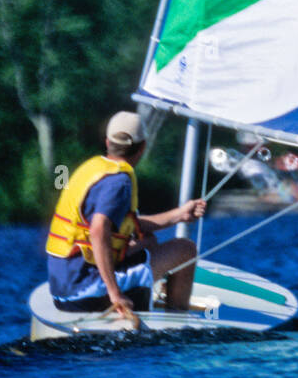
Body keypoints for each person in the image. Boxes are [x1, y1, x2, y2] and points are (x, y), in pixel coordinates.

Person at [45, 111, 206, 316]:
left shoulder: (92, 169)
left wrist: (180, 215)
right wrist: (115, 293)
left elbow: (129, 225)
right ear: (143, 147)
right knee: (185, 249)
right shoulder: (119, 182)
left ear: (107, 142)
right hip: (86, 291)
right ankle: (177, 321)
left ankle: (144, 295)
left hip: (63, 289)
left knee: (147, 241)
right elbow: (98, 230)